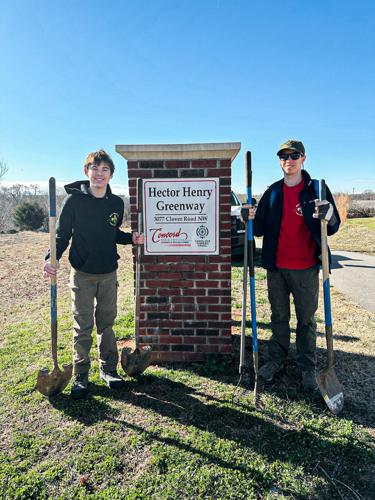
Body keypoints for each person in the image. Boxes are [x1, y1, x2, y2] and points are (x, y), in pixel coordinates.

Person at [44, 149, 143, 399]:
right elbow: (62, 235)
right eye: (95, 169)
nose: (99, 174)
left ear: (110, 175)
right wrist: (51, 259)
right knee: (83, 326)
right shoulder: (74, 202)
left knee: (107, 325)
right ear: (86, 171)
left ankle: (108, 370)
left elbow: (112, 232)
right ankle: (80, 374)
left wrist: (130, 238)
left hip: (109, 273)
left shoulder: (116, 203)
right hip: (82, 274)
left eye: (105, 170)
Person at [246, 139, 340, 390]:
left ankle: (307, 365)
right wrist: (250, 216)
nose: (289, 160)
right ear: (280, 161)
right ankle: (277, 359)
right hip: (277, 267)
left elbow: (333, 226)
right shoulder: (273, 191)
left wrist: (328, 212)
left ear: (303, 158)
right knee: (278, 316)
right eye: (283, 156)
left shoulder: (316, 189)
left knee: (306, 320)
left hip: (306, 268)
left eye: (294, 155)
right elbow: (259, 229)